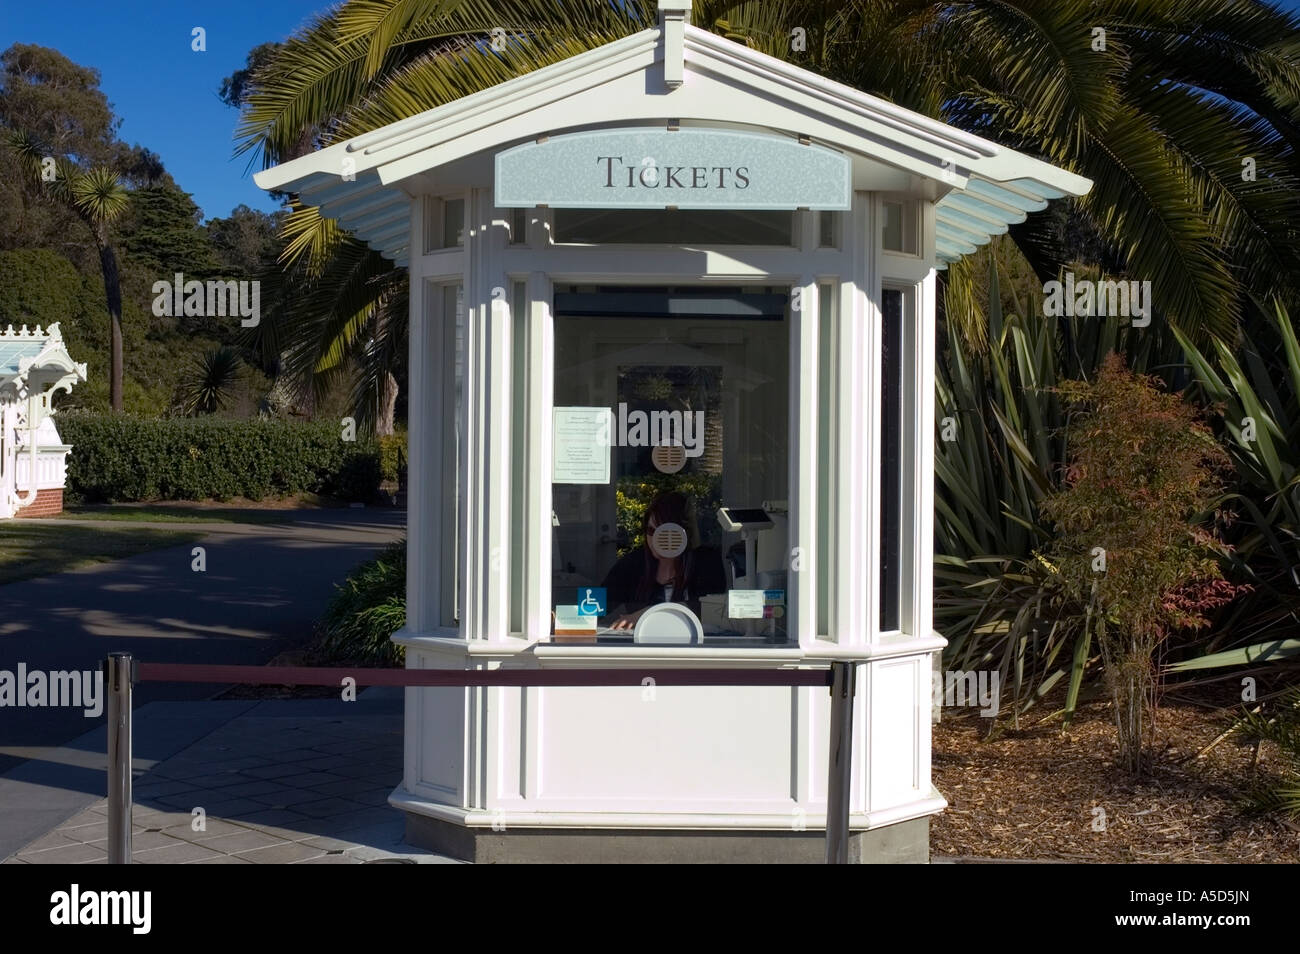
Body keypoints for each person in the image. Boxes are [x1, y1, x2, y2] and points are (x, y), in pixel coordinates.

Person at [601, 491, 726, 630]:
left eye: (665, 533)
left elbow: (709, 607)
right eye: (650, 530)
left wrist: (649, 613)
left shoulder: (705, 562)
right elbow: (597, 605)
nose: (655, 540)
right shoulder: (633, 564)